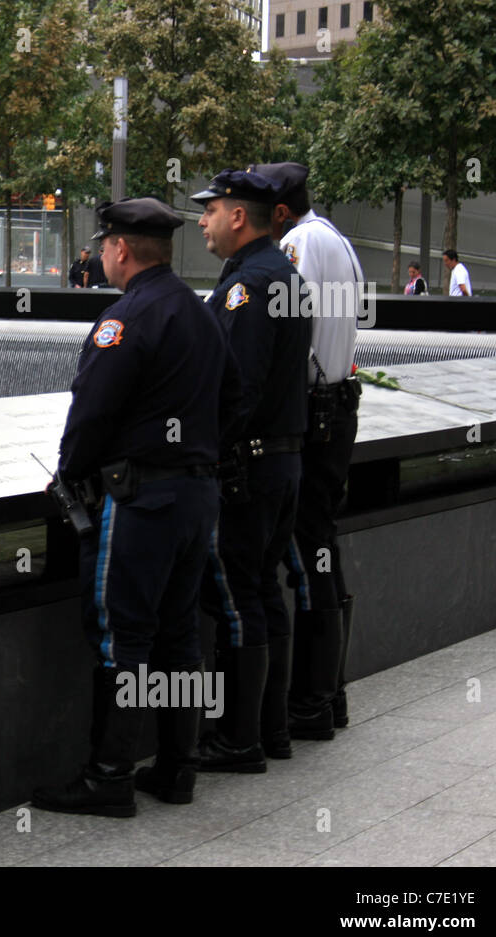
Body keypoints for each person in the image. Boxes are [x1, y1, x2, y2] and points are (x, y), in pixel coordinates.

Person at [31, 198, 239, 816]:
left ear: (120, 249)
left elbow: (91, 411)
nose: (99, 256)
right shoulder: (203, 316)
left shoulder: (125, 319)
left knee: (122, 634)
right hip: (197, 496)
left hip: (140, 499)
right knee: (180, 636)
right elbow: (233, 399)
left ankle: (109, 776)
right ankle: (178, 768)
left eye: (102, 247)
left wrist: (69, 474)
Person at [190, 168, 311, 774]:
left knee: (239, 599)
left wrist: (204, 453)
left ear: (239, 216)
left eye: (209, 210)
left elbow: (237, 385)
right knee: (264, 590)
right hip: (281, 458)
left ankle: (237, 740)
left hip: (251, 466)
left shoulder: (250, 285)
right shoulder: (280, 275)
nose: (203, 221)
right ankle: (271, 729)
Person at [250, 162, 365, 747]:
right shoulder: (338, 240)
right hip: (340, 405)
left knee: (309, 547)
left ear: (279, 212)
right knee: (324, 544)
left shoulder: (296, 244)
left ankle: (313, 702)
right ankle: (330, 694)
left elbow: (290, 334)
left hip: (314, 414)